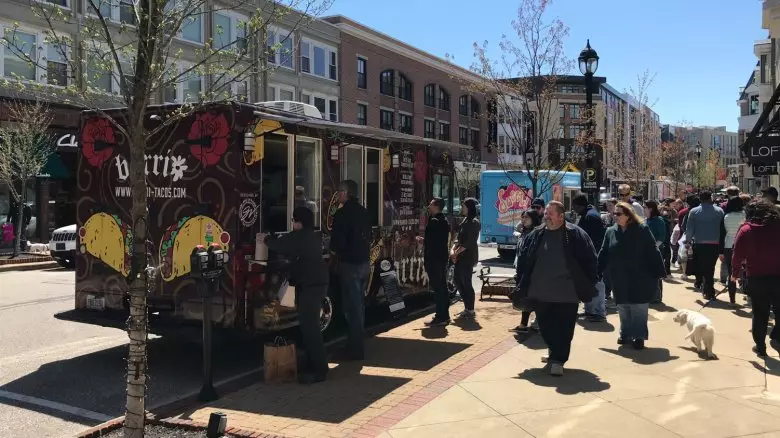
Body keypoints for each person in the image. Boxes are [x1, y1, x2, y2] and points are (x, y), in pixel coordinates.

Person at [514, 201, 598, 376]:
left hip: (567, 293)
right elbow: (524, 258)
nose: (546, 216)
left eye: (550, 213)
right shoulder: (537, 234)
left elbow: (590, 259)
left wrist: (587, 282)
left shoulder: (575, 234)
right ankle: (554, 351)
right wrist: (521, 281)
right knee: (545, 327)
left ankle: (558, 359)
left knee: (564, 329)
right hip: (540, 292)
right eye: (545, 213)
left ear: (561, 216)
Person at [262, 207, 329, 384]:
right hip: (317, 283)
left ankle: (319, 370)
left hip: (311, 286)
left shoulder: (299, 236)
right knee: (309, 326)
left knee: (310, 328)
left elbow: (276, 243)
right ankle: (312, 365)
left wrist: (267, 238)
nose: (292, 224)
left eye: (293, 220)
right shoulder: (312, 236)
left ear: (299, 222)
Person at [599, 202, 665, 350]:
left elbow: (653, 251)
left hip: (640, 277)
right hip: (619, 277)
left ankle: (639, 336)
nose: (614, 216)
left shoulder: (642, 229)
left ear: (629, 215)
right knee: (623, 307)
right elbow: (604, 253)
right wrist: (597, 271)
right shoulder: (610, 232)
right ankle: (625, 334)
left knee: (638, 308)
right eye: (614, 213)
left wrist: (659, 272)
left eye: (618, 214)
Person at [731, 199, 780, 357]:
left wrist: (734, 273)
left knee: (760, 312)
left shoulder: (746, 229)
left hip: (756, 276)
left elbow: (737, 254)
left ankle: (760, 346)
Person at [330, 180, 371, 360]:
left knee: (351, 308)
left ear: (346, 193)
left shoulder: (341, 214)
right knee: (358, 305)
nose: (338, 194)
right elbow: (369, 236)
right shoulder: (364, 211)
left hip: (350, 264)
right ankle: (355, 344)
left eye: (339, 191)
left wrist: (332, 251)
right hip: (364, 263)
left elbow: (336, 243)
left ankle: (356, 349)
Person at [572, 193, 607, 322]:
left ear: (579, 205)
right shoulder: (589, 214)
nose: (573, 209)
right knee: (589, 283)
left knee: (597, 284)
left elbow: (594, 239)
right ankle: (590, 310)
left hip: (593, 256)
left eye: (574, 206)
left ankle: (598, 313)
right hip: (589, 255)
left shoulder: (590, 217)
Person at [685, 191, 725, 300]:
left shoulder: (694, 211)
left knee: (701, 266)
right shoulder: (719, 211)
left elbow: (689, 229)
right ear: (710, 198)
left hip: (699, 243)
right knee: (710, 267)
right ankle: (708, 289)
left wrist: (687, 242)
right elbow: (723, 229)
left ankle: (705, 287)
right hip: (715, 244)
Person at [419, 198, 451, 326]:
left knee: (438, 288)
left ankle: (440, 316)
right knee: (443, 287)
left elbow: (430, 242)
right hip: (442, 257)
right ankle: (445, 315)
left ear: (436, 206)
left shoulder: (433, 221)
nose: (429, 206)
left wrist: (421, 240)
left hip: (433, 259)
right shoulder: (444, 220)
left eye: (431, 204)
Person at [513, 208, 542, 333]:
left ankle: (538, 322)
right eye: (522, 217)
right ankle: (523, 325)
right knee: (525, 296)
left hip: (532, 272)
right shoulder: (524, 233)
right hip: (521, 269)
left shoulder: (536, 234)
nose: (523, 220)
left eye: (526, 217)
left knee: (533, 297)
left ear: (534, 219)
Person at [451, 198, 480, 320]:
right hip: (460, 256)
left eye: (463, 206)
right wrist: (453, 249)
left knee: (466, 282)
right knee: (457, 280)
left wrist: (456, 252)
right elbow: (458, 238)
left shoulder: (474, 223)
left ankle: (470, 309)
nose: (461, 208)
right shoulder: (464, 221)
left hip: (468, 257)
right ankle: (466, 307)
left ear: (469, 208)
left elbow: (469, 242)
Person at [720, 196, 746, 305]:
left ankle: (732, 299)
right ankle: (748, 293)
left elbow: (721, 234)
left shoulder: (726, 216)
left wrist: (720, 251)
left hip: (729, 245)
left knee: (732, 273)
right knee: (746, 271)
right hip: (745, 246)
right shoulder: (746, 215)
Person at [644, 200, 668, 303]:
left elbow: (662, 236)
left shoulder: (659, 220)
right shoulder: (646, 220)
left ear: (650, 208)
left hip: (656, 251)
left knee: (656, 274)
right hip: (646, 251)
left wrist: (654, 248)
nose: (643, 209)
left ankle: (657, 297)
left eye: (645, 207)